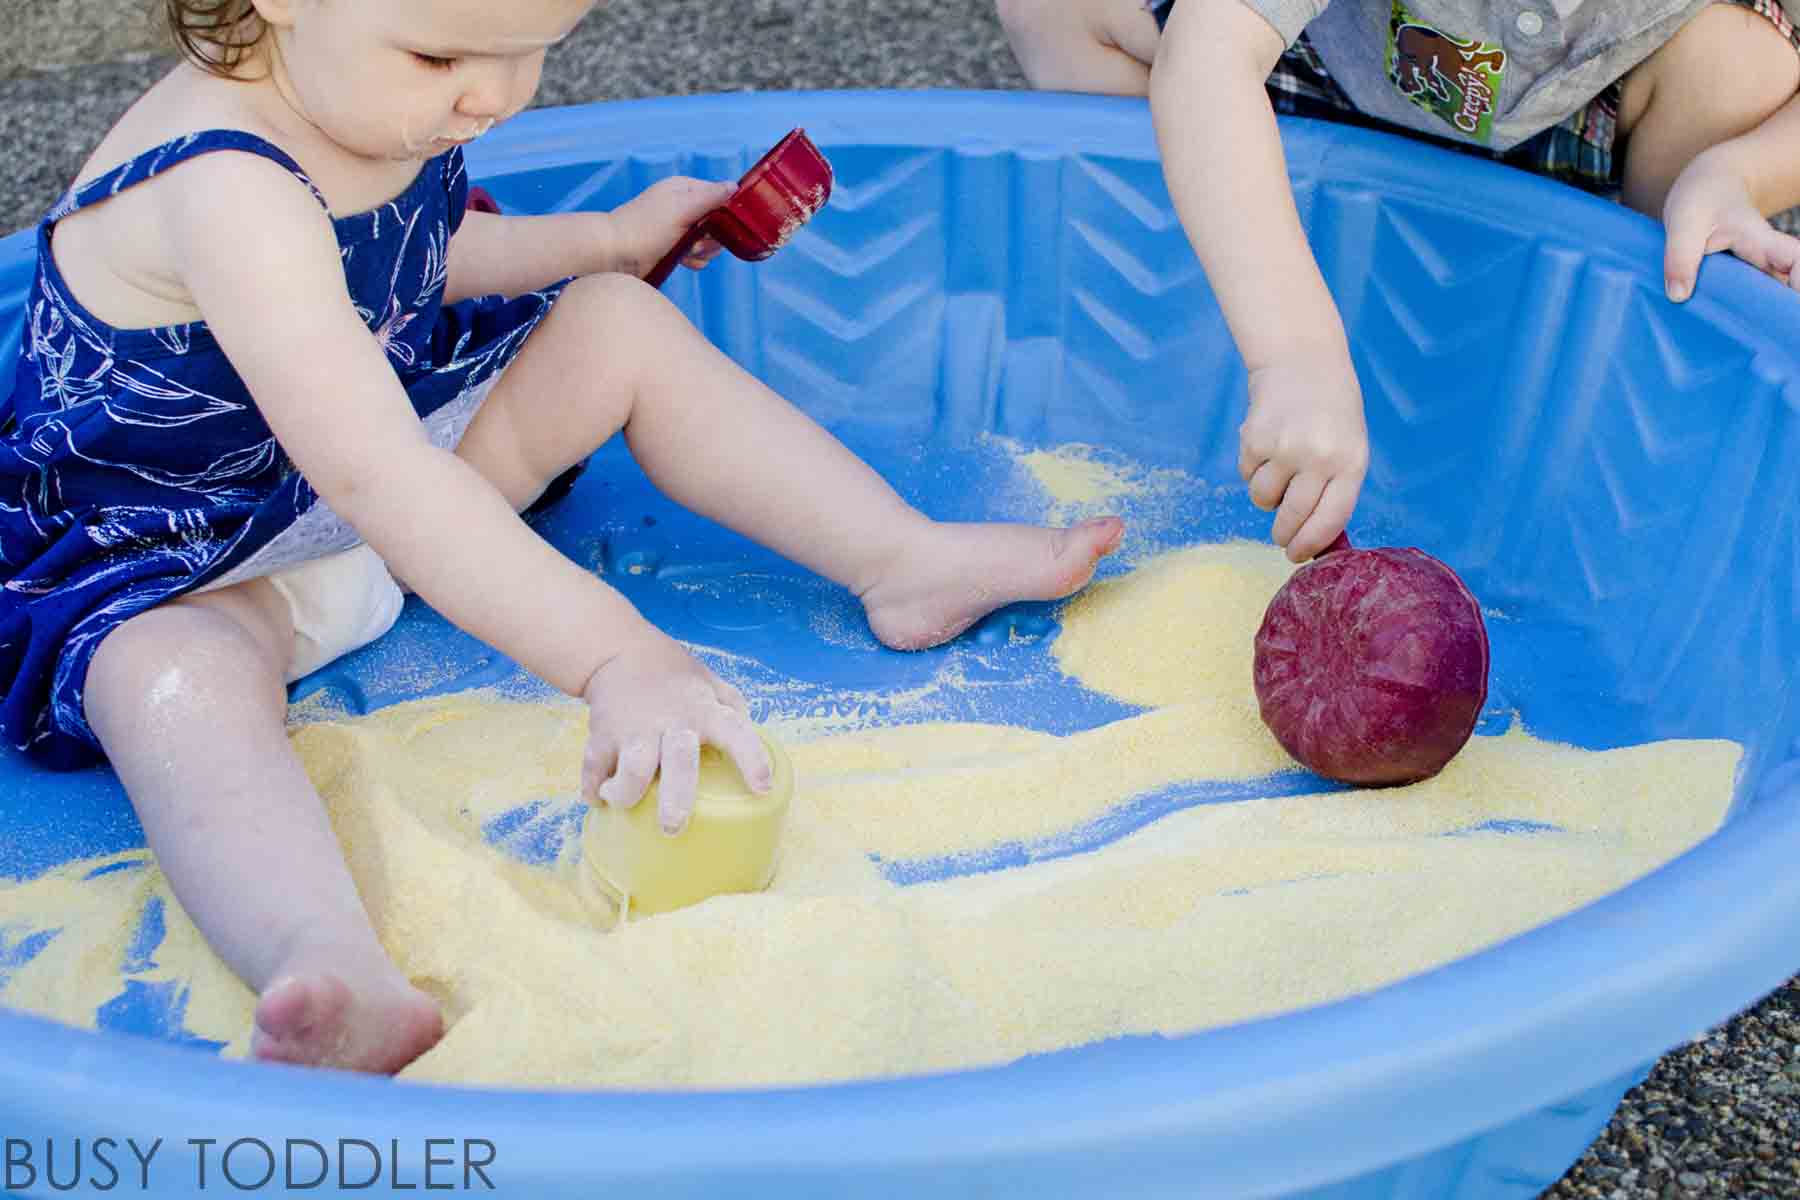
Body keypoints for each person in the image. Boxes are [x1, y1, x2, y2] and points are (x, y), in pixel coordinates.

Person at [0, 0, 1124, 1074]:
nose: (488, 97)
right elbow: (380, 472)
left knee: (613, 319)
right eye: (444, 60)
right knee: (166, 684)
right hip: (188, 561)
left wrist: (603, 238)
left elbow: (408, 262)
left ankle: (899, 557)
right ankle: (319, 952)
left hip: (366, 481)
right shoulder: (224, 187)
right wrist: (615, 656)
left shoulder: (364, 86)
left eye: (532, 48)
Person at [996, 0, 1800, 560]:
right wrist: (1296, 352)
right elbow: (1208, 55)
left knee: (1741, 70)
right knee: (1058, 8)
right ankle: (1241, 257)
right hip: (1318, 66)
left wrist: (1742, 171)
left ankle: (1603, 363)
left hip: (1578, 121)